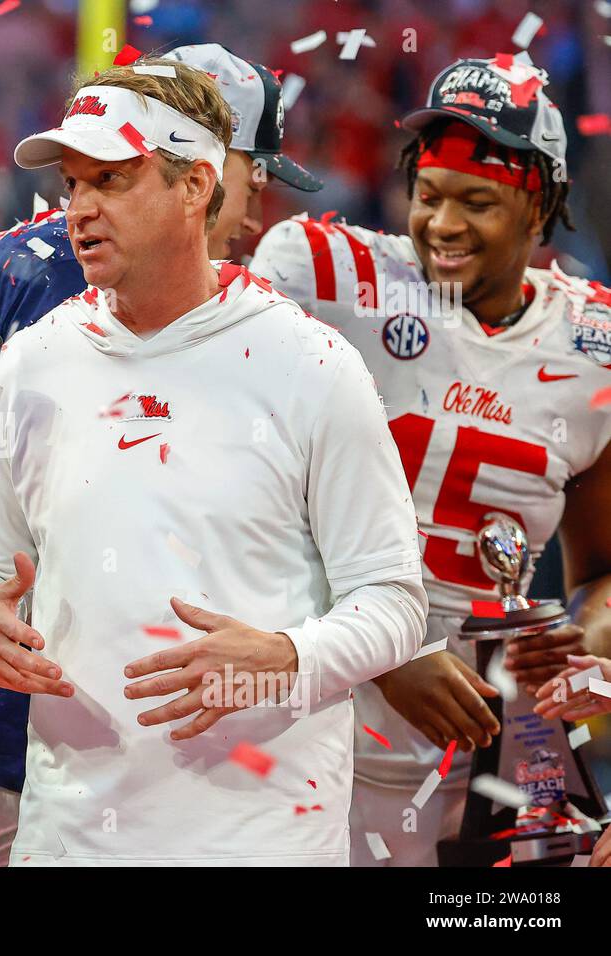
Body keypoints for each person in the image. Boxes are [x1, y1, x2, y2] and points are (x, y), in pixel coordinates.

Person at [0, 58, 426, 865]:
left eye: (112, 180)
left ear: (196, 185)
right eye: (72, 184)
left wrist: (289, 657)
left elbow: (395, 602)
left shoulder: (313, 366)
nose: (80, 211)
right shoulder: (31, 363)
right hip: (67, 844)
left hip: (262, 845)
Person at [249, 56, 611, 866]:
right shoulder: (323, 274)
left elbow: (604, 569)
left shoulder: (597, 344)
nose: (443, 224)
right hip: (308, 725)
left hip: (488, 755)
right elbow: (238, 496)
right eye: (429, 195)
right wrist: (389, 651)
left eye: (477, 202)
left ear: (541, 206)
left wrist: (576, 644)